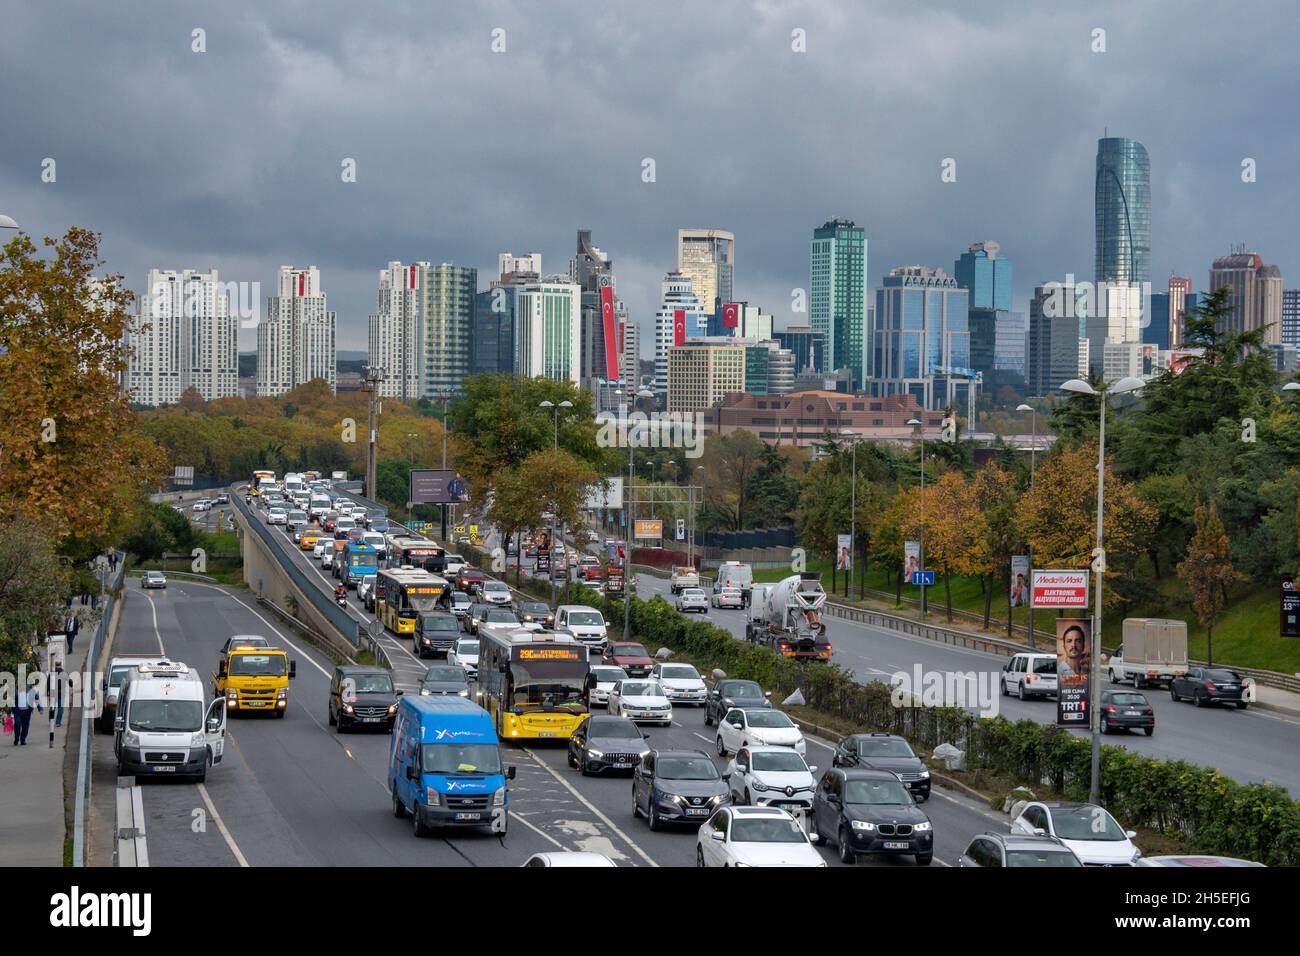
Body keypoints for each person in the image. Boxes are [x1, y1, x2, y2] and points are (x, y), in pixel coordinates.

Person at [14, 679, 43, 745]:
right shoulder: (15, 691)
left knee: (25, 726)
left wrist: (40, 708)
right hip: (17, 711)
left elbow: (37, 699)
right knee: (17, 724)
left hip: (27, 711)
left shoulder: (31, 690)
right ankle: (16, 738)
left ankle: (23, 739)